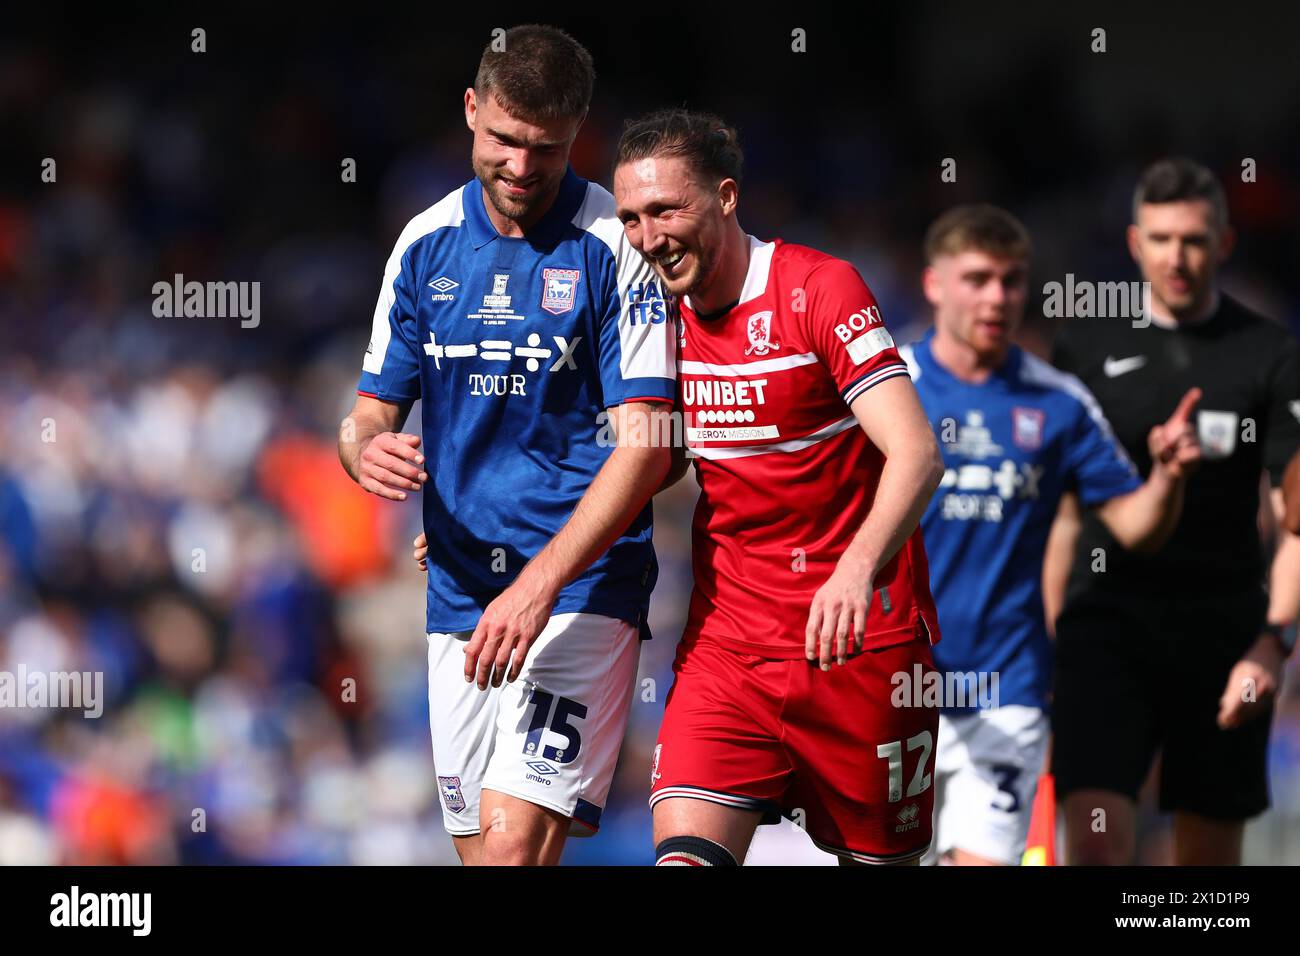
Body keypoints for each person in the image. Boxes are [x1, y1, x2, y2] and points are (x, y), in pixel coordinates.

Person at [338, 25, 676, 866]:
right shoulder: (422, 245)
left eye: (547, 149)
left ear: (579, 133)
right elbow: (369, 413)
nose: (523, 168)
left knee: (511, 847)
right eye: (506, 142)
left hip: (577, 590)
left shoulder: (614, 246)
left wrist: (535, 588)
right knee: (484, 851)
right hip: (459, 593)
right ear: (470, 113)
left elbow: (648, 449)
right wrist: (363, 449)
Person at [613, 108, 944, 866]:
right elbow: (625, 457)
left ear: (727, 197)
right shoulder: (649, 318)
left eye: (666, 210)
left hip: (861, 652)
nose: (648, 237)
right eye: (632, 218)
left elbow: (917, 453)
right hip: (727, 651)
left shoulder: (819, 288)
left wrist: (854, 572)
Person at [902, 204, 1198, 866]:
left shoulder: (1057, 402)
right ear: (934, 284)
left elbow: (1136, 526)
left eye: (1011, 280)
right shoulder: (886, 387)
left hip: (1005, 686)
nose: (997, 297)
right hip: (895, 685)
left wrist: (1169, 477)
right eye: (977, 278)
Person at [1046, 157, 1300, 865]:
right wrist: (1046, 634)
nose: (1177, 256)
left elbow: (1296, 521)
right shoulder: (1084, 347)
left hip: (1223, 632)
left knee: (1206, 873)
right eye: (1160, 239)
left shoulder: (1271, 353)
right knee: (1095, 846)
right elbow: (1062, 516)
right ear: (1134, 243)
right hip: (1104, 624)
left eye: (1193, 239)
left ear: (1223, 243)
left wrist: (1272, 645)